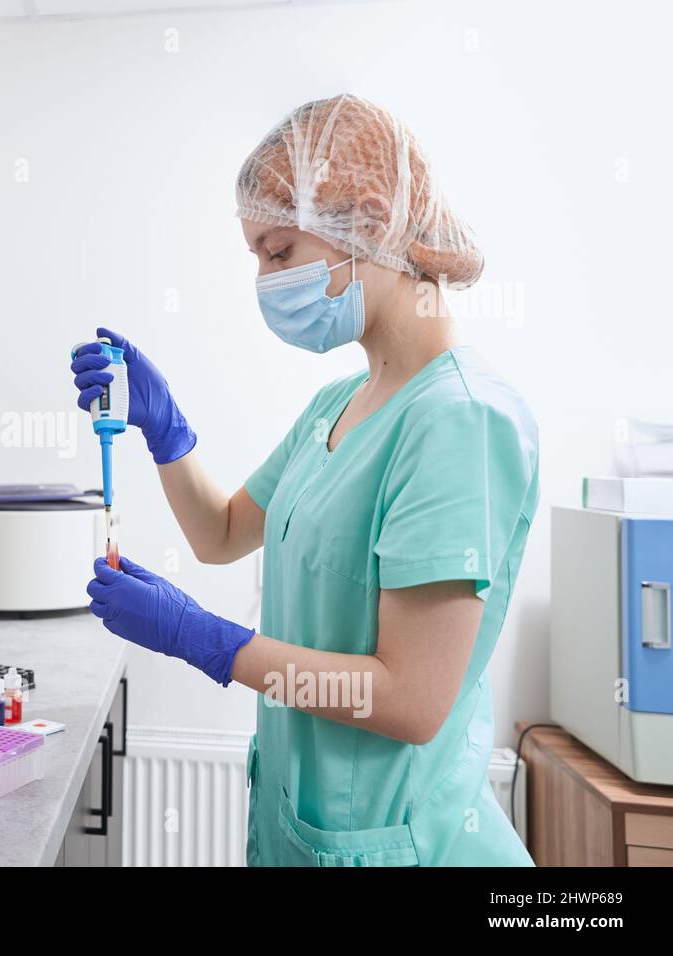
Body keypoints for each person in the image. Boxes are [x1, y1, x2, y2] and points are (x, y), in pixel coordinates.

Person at [72, 95, 537, 866]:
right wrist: (166, 430)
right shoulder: (339, 405)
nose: (263, 280)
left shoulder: (459, 419)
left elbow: (410, 701)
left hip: (398, 845)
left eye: (278, 251)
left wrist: (205, 641)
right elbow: (220, 534)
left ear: (371, 217)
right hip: (309, 828)